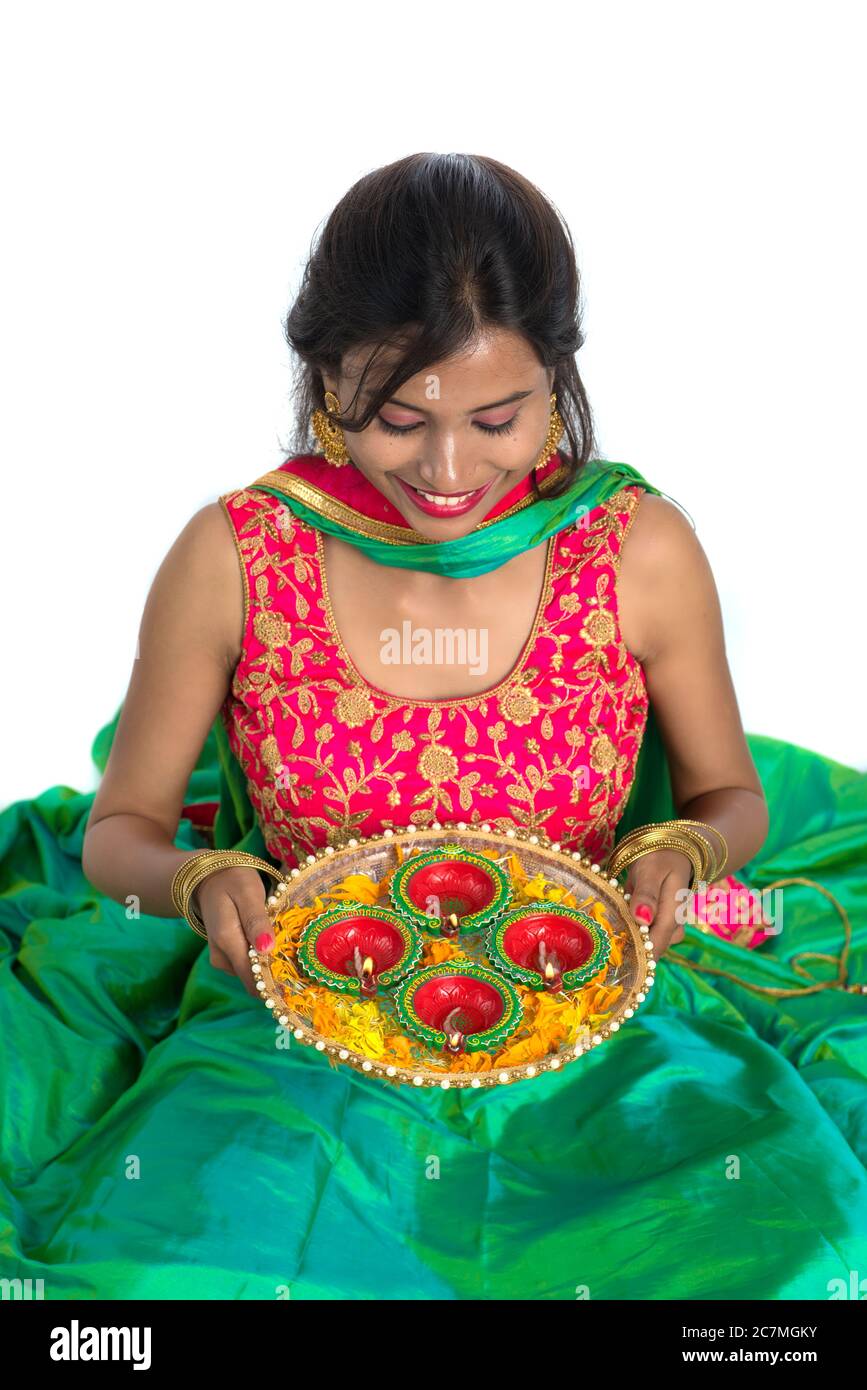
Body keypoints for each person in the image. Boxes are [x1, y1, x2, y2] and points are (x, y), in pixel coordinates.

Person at [2, 153, 865, 1301]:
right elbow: (123, 832)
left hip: (589, 1019)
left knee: (796, 1271)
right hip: (297, 1024)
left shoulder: (639, 550)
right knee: (156, 1284)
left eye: (496, 417)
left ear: (554, 380)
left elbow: (728, 797)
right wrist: (199, 877)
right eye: (397, 418)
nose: (449, 469)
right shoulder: (236, 558)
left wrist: (686, 853)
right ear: (324, 381)